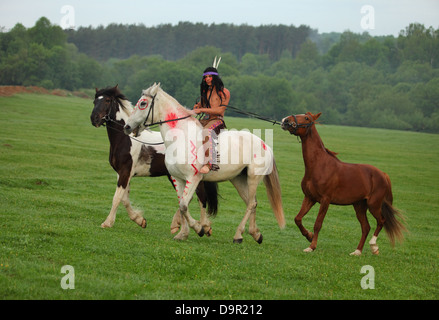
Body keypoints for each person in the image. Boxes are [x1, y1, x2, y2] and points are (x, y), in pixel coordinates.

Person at [193, 60, 230, 174]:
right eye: (206, 77)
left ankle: (209, 164)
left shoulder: (224, 92)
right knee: (188, 126)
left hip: (217, 120)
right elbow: (201, 106)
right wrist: (198, 107)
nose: (207, 79)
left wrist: (202, 109)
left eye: (210, 76)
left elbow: (220, 110)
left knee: (206, 131)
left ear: (215, 78)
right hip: (205, 119)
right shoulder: (205, 91)